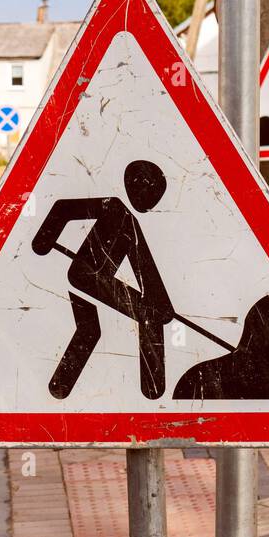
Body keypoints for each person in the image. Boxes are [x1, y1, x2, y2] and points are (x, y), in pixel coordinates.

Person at [30, 160, 173, 400]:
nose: (150, 202)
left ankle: (59, 389)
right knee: (146, 315)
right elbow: (63, 209)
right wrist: (43, 241)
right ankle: (153, 387)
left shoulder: (130, 223)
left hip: (93, 280)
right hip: (86, 276)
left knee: (90, 331)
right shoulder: (113, 207)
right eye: (150, 192)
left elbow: (144, 267)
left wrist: (162, 303)